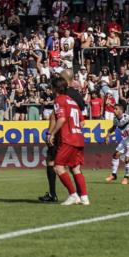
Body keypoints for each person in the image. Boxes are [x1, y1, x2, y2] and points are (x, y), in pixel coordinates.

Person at [46, 74, 88, 206]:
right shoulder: (73, 101)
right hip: (78, 138)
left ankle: (73, 195)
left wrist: (52, 134)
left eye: (52, 87)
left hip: (67, 138)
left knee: (58, 168)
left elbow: (61, 119)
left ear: (55, 88)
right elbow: (82, 122)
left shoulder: (59, 100)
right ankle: (84, 198)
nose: (51, 90)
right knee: (75, 168)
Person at [105, 103, 129, 185]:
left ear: (121, 111)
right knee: (115, 155)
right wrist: (107, 136)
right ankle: (114, 175)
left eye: (116, 109)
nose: (114, 111)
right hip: (125, 140)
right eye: (114, 109)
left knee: (127, 159)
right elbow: (114, 127)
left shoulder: (127, 117)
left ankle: (126, 177)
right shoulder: (115, 119)